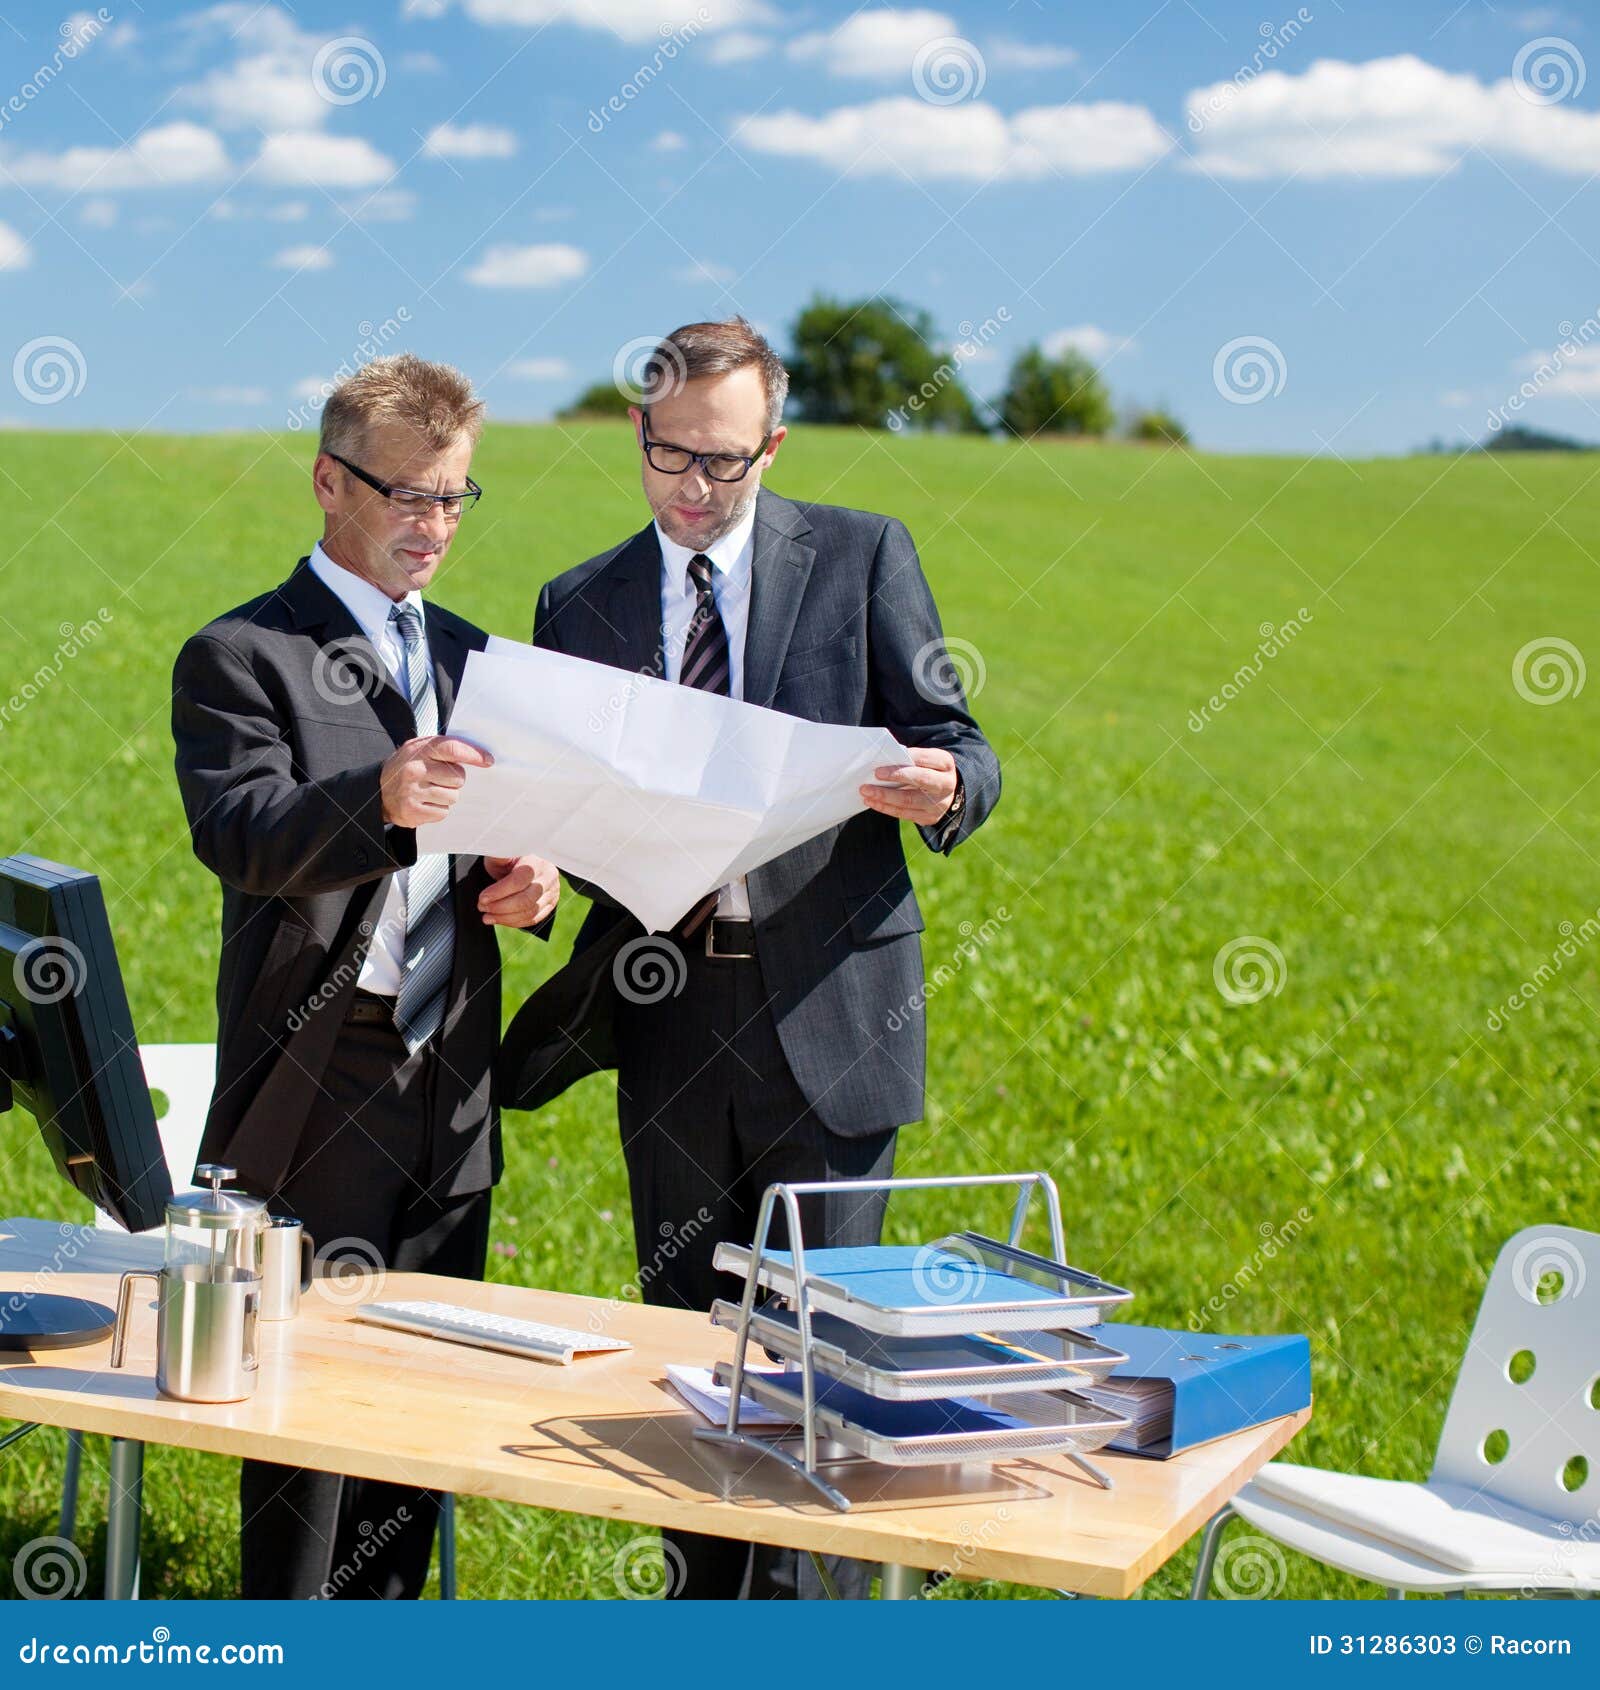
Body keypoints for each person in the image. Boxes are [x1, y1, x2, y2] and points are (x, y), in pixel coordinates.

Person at [510, 317, 1000, 1598]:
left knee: (821, 1370)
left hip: (833, 1015)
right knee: (691, 1360)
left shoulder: (861, 557)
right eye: (670, 453)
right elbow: (557, 809)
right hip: (667, 1017)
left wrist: (946, 784)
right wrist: (540, 869)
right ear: (638, 431)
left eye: (724, 461)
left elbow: (962, 743)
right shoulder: (579, 601)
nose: (694, 484)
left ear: (772, 447)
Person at [171, 353, 559, 1599]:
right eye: (408, 495)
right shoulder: (243, 654)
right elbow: (242, 833)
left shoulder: (479, 658)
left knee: (420, 1402)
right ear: (330, 482)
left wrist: (533, 882)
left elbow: (514, 832)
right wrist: (377, 799)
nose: (434, 525)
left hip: (454, 1078)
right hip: (318, 1077)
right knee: (303, 1414)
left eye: (454, 497)